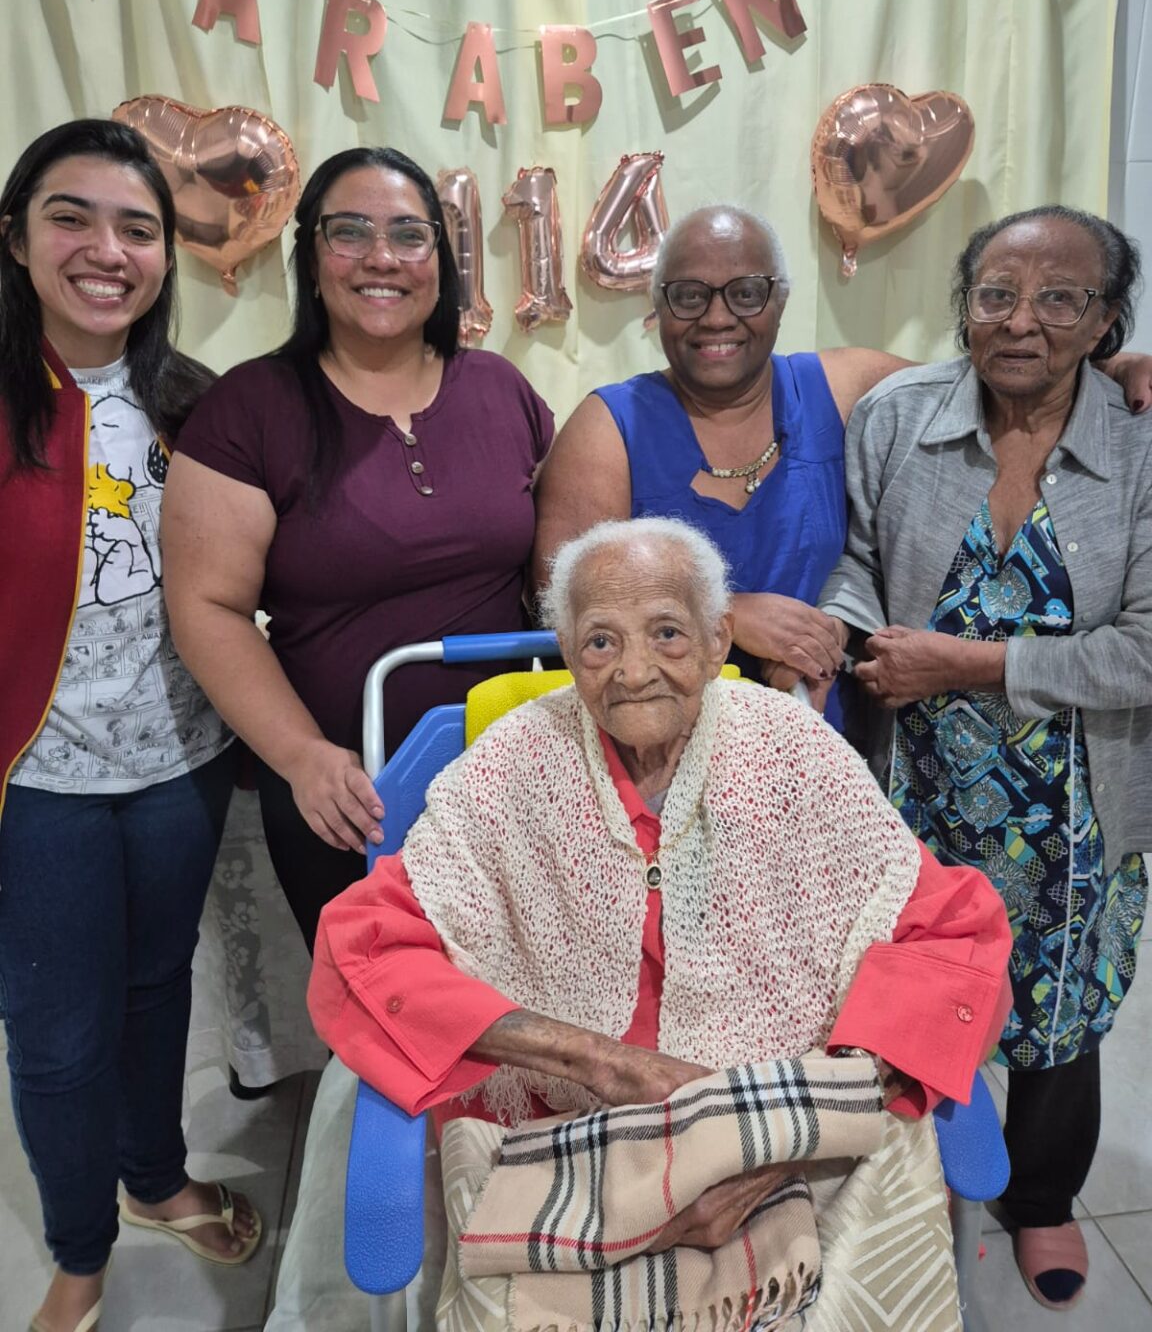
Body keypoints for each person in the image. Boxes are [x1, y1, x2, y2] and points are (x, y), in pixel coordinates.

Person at [309, 517, 1012, 1332]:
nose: (634, 671)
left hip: (785, 1135)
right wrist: (595, 1060)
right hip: (567, 1135)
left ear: (718, 642)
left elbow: (952, 935)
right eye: (600, 641)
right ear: (567, 652)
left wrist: (784, 1139)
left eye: (667, 633)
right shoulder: (512, 763)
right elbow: (364, 949)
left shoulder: (793, 750)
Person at [818, 206, 1152, 1311]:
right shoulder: (899, 416)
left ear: (1106, 321)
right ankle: (910, 1179)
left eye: (1060, 299)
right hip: (915, 780)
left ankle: (1043, 1196)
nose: (1020, 322)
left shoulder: (1139, 443)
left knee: (1060, 1003)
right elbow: (858, 564)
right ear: (964, 306)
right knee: (908, 981)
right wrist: (832, 638)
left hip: (1077, 799)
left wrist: (966, 664)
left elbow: (1146, 650)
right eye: (996, 294)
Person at [533, 205, 1152, 729]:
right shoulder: (608, 427)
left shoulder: (845, 385)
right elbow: (566, 604)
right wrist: (724, 613)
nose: (717, 317)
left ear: (780, 301)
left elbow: (999, 373)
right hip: (664, 740)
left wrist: (1111, 365)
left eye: (746, 292)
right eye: (689, 295)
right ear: (658, 307)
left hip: (837, 744)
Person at [161, 147, 553, 952]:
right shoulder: (248, 408)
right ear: (310, 256)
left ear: (440, 261)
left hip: (514, 779)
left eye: (409, 235)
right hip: (347, 794)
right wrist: (302, 757)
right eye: (350, 232)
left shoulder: (501, 388)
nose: (382, 258)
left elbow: (566, 567)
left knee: (530, 1004)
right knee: (386, 1008)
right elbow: (207, 607)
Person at [0, 120, 258, 1332]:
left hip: (178, 764)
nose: (106, 251)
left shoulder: (195, 403)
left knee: (160, 989)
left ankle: (154, 1178)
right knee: (57, 1037)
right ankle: (79, 1249)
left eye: (138, 229)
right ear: (16, 237)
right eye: (72, 217)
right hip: (34, 781)